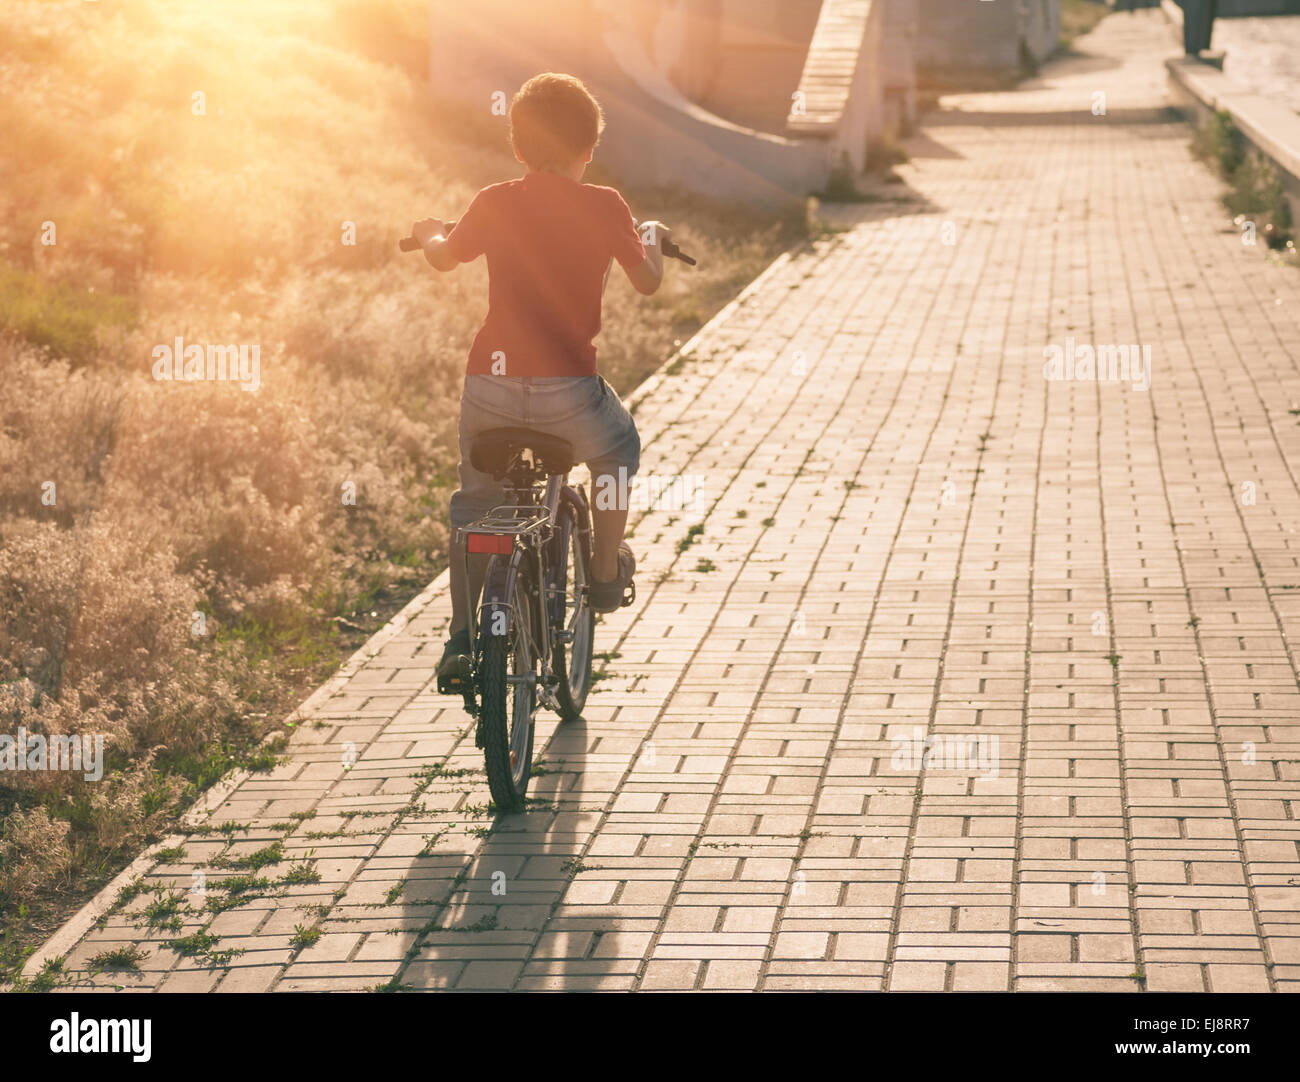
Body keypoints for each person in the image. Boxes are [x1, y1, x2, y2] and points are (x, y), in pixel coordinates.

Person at [410, 72, 669, 685]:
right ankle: (604, 572)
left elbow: (445, 255)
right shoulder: (607, 206)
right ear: (590, 147)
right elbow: (648, 280)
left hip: (490, 389)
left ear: (519, 148)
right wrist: (651, 239)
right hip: (568, 394)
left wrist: (428, 232)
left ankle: (461, 640)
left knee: (474, 512)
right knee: (617, 451)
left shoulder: (495, 201)